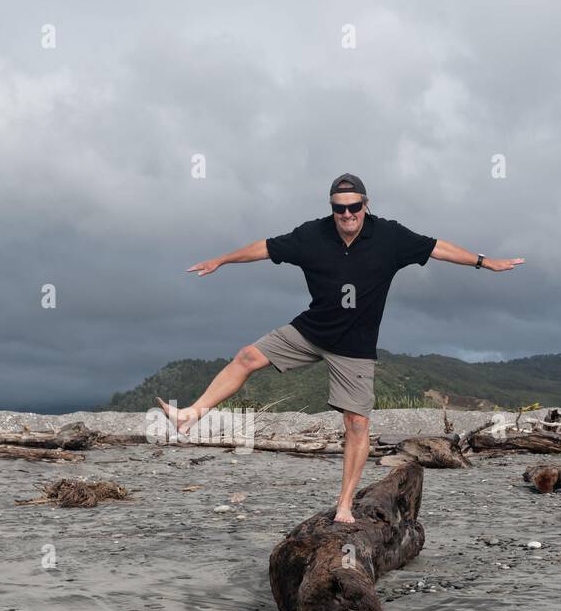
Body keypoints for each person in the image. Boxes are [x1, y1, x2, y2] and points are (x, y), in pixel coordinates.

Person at [157, 172, 525, 523]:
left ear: (366, 205)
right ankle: (191, 415)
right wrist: (221, 259)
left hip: (355, 345)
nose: (347, 215)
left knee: (356, 422)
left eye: (353, 207)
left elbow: (437, 247)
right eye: (339, 209)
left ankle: (344, 504)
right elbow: (265, 248)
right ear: (331, 208)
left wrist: (483, 262)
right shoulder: (311, 235)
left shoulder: (390, 236)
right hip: (313, 330)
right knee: (247, 356)